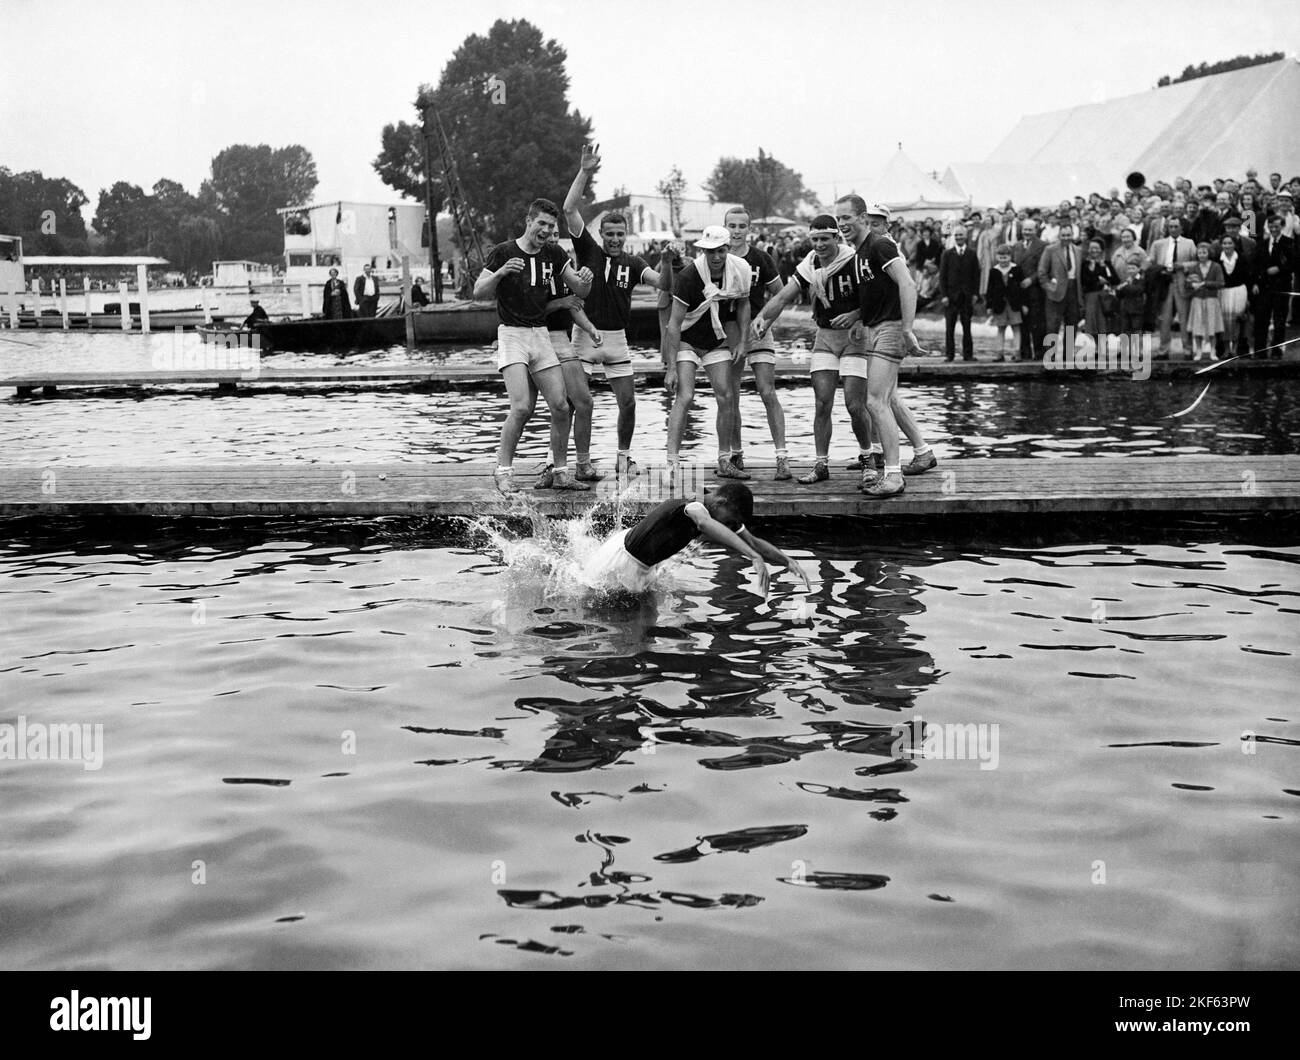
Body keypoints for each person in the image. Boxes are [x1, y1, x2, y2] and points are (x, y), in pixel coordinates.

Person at [561, 144, 671, 482]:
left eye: (620, 235)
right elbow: (568, 209)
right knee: (576, 403)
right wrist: (585, 171)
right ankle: (573, 461)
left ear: (627, 236)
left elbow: (664, 285)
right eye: (609, 234)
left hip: (617, 338)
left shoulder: (634, 262)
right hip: (585, 334)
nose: (614, 240)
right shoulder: (589, 250)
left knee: (629, 403)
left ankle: (623, 458)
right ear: (601, 234)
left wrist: (666, 261)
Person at [475, 197, 594, 495]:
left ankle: (562, 472)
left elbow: (580, 290)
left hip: (540, 335)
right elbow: (478, 292)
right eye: (540, 223)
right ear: (528, 221)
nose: (545, 230)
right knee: (522, 406)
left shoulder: (553, 253)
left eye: (551, 226)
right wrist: (501, 272)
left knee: (560, 405)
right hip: (512, 335)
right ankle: (503, 470)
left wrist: (586, 279)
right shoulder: (503, 251)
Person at [750, 214, 872, 486]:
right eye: (814, 239)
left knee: (854, 404)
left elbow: (877, 297)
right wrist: (762, 318)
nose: (819, 245)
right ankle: (821, 464)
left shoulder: (854, 260)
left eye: (824, 239)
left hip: (854, 338)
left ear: (836, 238)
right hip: (826, 336)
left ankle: (868, 458)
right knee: (821, 402)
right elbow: (783, 296)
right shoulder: (810, 263)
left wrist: (856, 315)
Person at [585, 482, 813, 599]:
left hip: (646, 566)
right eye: (730, 522)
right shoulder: (694, 503)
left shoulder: (718, 512)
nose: (728, 527)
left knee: (644, 629)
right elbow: (703, 524)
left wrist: (787, 561)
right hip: (622, 559)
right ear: (721, 502)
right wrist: (754, 558)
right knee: (597, 603)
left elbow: (752, 541)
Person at [662, 224, 752, 484]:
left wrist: (743, 342)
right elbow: (674, 324)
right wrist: (670, 367)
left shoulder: (741, 270)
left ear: (728, 249)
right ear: (702, 250)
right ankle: (672, 463)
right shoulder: (690, 276)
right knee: (686, 395)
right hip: (687, 338)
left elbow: (744, 304)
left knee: (726, 395)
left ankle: (725, 459)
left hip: (716, 339)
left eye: (721, 251)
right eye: (710, 251)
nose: (715, 257)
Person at [853, 199, 931, 496]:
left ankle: (894, 475)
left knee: (875, 401)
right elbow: (876, 292)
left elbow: (908, 285)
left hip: (889, 327)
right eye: (867, 220)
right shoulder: (864, 250)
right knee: (890, 398)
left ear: (886, 224)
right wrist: (860, 318)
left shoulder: (882, 245)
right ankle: (923, 452)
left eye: (876, 221)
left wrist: (908, 329)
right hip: (877, 326)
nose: (871, 226)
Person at [720, 206, 791, 479]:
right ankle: (736, 454)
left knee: (767, 390)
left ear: (749, 229)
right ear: (725, 227)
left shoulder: (760, 258)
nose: (736, 231)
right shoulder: (718, 257)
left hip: (758, 329)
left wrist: (765, 320)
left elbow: (781, 294)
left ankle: (782, 456)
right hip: (729, 332)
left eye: (741, 226)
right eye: (732, 226)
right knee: (731, 395)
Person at [1148, 216, 1197, 358]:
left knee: (1184, 317)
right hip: (1165, 282)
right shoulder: (1158, 244)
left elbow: (1196, 262)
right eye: (1171, 226)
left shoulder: (1189, 243)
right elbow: (1151, 262)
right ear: (1167, 228)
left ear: (1181, 228)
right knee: (1165, 318)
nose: (1173, 229)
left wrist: (1183, 265)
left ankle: (1188, 350)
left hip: (1182, 280)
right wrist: (1160, 269)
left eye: (1176, 226)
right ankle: (1163, 350)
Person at [1253, 214, 1293, 357]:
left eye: (1276, 226)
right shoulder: (1262, 243)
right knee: (1261, 319)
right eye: (1271, 227)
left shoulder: (1289, 243)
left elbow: (1294, 263)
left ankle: (1276, 351)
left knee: (1279, 321)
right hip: (1264, 287)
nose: (1273, 229)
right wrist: (1256, 282)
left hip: (1281, 287)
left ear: (1282, 226)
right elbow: (1256, 265)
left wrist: (1280, 268)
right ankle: (1260, 352)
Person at [938, 224, 980, 360]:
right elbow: (942, 276)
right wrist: (944, 295)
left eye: (961, 235)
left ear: (966, 236)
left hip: (966, 297)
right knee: (949, 328)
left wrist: (975, 294)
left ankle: (968, 355)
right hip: (950, 297)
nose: (959, 237)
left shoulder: (972, 254)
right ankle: (949, 355)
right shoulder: (947, 254)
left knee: (967, 327)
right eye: (956, 235)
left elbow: (976, 276)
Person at [1038, 221, 1082, 343]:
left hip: (1073, 291)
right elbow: (1042, 272)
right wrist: (1049, 287)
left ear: (1073, 235)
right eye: (1063, 235)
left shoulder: (1078, 251)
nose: (1066, 238)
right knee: (1053, 326)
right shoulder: (1050, 250)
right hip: (1055, 292)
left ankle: (1067, 356)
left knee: (1071, 325)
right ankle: (1050, 357)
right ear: (1059, 236)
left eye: (1068, 235)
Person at [1010, 219, 1047, 359]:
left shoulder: (1043, 246)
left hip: (1035, 289)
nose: (1027, 232)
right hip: (1020, 290)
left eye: (1030, 230)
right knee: (1022, 322)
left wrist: (1031, 280)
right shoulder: (1017, 246)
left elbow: (1043, 268)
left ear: (1036, 230)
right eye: (1025, 229)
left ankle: (1039, 352)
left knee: (1037, 322)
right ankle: (1025, 352)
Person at [1186, 242, 1224, 361]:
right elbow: (1187, 283)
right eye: (1199, 253)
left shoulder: (1216, 266)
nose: (1202, 255)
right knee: (1198, 326)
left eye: (1204, 252)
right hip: (1197, 300)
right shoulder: (1194, 267)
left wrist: (1205, 283)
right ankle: (1198, 351)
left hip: (1211, 300)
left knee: (1212, 326)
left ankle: (1213, 351)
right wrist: (1192, 285)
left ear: (1209, 253)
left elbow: (1220, 283)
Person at [984, 244, 1024, 361]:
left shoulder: (1016, 269)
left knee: (1016, 327)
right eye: (1001, 258)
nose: (1003, 260)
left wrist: (1023, 304)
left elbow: (1021, 289)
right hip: (999, 304)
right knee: (1000, 329)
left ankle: (1017, 352)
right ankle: (999, 353)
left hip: (1014, 304)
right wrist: (989, 305)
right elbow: (990, 290)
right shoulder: (994, 271)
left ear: (1010, 257)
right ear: (997, 257)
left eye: (1005, 257)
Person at [1079, 237, 1119, 341]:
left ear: (1101, 249)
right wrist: (1094, 273)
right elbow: (1085, 281)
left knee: (1103, 324)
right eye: (1092, 248)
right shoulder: (1085, 264)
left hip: (1104, 298)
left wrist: (1105, 280)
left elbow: (1115, 280)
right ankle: (1094, 348)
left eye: (1096, 248)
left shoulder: (1106, 263)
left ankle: (1102, 350)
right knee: (1092, 324)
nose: (1094, 250)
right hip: (1090, 298)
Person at [1216, 233, 1249, 359]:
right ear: (1221, 245)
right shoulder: (1217, 259)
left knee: (1237, 321)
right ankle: (1225, 350)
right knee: (1224, 321)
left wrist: (1248, 298)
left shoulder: (1242, 258)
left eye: (1230, 243)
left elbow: (1247, 277)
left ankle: (1234, 350)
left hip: (1239, 291)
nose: (1227, 245)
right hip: (1223, 292)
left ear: (1234, 245)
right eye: (1224, 243)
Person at [1113, 260, 1147, 337]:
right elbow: (1119, 294)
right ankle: (1126, 348)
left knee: (1136, 329)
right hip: (1125, 310)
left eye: (1133, 268)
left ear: (1138, 269)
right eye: (1129, 268)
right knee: (1125, 330)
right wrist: (1119, 289)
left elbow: (1138, 290)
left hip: (1137, 310)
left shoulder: (1141, 279)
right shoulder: (1126, 280)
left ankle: (1136, 348)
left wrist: (1126, 286)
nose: (1130, 270)